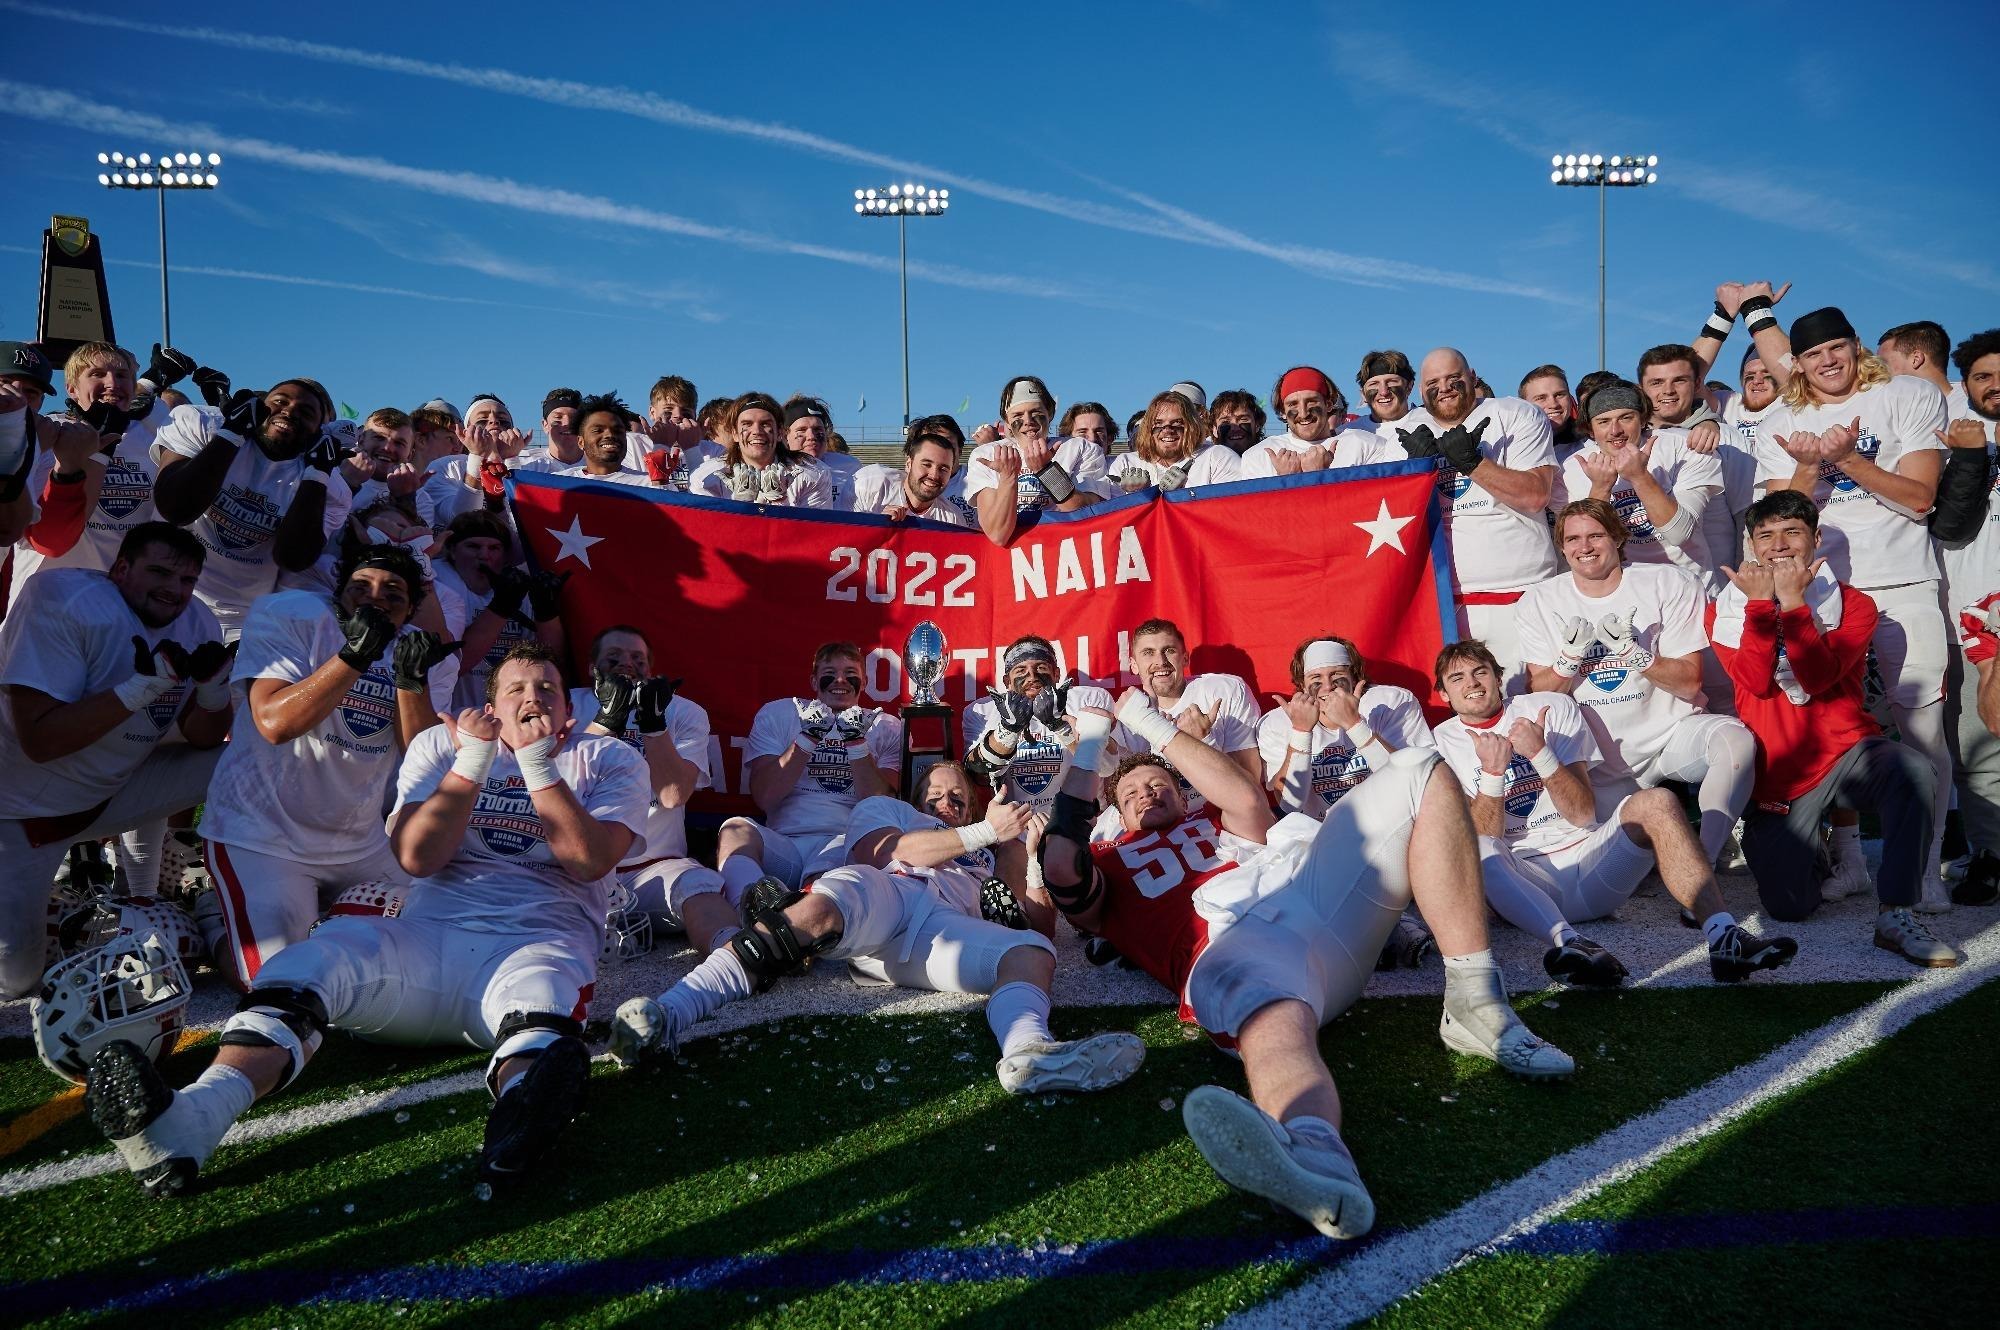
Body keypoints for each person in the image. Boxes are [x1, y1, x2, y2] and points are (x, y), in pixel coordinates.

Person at [85, 642, 651, 1195]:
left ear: (570, 709)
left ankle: (518, 1126)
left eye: (548, 687)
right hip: (423, 945)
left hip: (536, 944)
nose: (534, 698)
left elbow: (590, 860)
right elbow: (417, 857)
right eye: (518, 689)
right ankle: (191, 1119)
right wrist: (475, 761)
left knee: (544, 1007)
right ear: (492, 704)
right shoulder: (443, 744)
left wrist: (533, 762)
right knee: (313, 958)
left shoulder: (608, 758)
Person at [1042, 688, 1571, 1239]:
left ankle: (1475, 998)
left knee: (1420, 766)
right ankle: (1316, 1154)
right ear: (1113, 811)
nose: (1148, 793)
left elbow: (1245, 796)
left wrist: (1145, 721)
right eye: (1131, 793)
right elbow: (1059, 862)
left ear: (1184, 791)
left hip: (1312, 901)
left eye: (1160, 784)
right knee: (1273, 1024)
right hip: (1230, 947)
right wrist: (1095, 741)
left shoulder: (1222, 824)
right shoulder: (1104, 860)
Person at [611, 761, 1146, 1095]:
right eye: (937, 794)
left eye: (959, 797)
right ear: (916, 801)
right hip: (888, 891)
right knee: (827, 903)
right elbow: (882, 852)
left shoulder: (992, 844)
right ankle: (669, 1013)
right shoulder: (887, 808)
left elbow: (1041, 926)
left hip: (942, 927)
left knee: (1029, 950)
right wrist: (983, 828)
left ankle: (1027, 1052)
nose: (947, 803)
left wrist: (1026, 858)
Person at [1432, 640, 1795, 989]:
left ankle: (1723, 936)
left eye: (1480, 672)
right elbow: (1484, 835)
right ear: (1445, 695)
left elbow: (1582, 812)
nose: (1472, 684)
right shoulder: (1440, 742)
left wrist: (1541, 753)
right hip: (1523, 881)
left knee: (1658, 801)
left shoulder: (1548, 707)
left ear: (1498, 677)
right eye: (1457, 678)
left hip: (1591, 864)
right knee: (1476, 848)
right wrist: (1494, 776)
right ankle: (1572, 946)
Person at [1752, 305, 1953, 909]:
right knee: (1827, 729)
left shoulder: (1906, 394)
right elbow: (1778, 518)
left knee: (1920, 730)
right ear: (1800, 362)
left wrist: (1848, 460)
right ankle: (1849, 862)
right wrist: (1810, 464)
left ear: (1855, 346)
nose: (1828, 361)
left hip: (1900, 583)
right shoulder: (1781, 418)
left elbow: (1920, 497)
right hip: (1819, 590)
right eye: (1814, 354)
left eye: (1837, 347)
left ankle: (1925, 870)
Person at [1708, 490, 1959, 966]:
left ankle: (1897, 913)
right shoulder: (1725, 606)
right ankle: (1816, 854)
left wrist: (1793, 603)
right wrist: (1763, 607)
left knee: (1912, 769)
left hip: (1848, 751)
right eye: (1766, 535)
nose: (1779, 546)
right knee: (1790, 907)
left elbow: (1818, 676)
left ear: (1815, 538)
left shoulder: (1854, 603)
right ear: (1751, 545)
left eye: (1792, 532)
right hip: (1779, 772)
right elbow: (1756, 682)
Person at [198, 543, 451, 987]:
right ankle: (215, 927)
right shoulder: (291, 615)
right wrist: (354, 656)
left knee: (439, 937)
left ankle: (324, 916)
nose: (377, 598)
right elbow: (275, 723)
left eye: (394, 594)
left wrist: (413, 683)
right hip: (264, 833)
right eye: (363, 586)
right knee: (275, 982)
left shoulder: (408, 645)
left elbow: (420, 757)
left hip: (359, 840)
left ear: (410, 611)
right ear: (339, 591)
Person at [0, 523, 231, 998]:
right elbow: (39, 740)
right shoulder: (64, 600)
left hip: (107, 792)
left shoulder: (197, 622)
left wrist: (212, 694)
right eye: (160, 572)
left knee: (249, 760)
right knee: (15, 979)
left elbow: (204, 737)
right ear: (121, 569)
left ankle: (238, 902)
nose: (175, 590)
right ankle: (51, 910)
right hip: (20, 814)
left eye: (187, 580)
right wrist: (135, 690)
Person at [1519, 499, 1755, 866]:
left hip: (1669, 737)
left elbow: (1690, 684)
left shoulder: (1667, 581)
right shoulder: (1539, 599)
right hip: (1598, 759)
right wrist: (1567, 661)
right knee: (1613, 868)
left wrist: (1633, 653)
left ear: (1617, 537)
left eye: (1596, 535)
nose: (1585, 547)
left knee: (1735, 742)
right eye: (1573, 538)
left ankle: (1705, 859)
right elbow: (1540, 695)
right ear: (1562, 547)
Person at [1389, 348, 1560, 693]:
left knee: (1527, 699)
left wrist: (1473, 464)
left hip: (1518, 593)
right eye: (1433, 383)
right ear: (1420, 391)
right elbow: (1389, 521)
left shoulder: (1515, 415)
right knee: (1461, 711)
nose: (1445, 388)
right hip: (1441, 600)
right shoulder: (1403, 431)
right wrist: (1412, 476)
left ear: (1472, 376)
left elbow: (1536, 494)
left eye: (1454, 379)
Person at [571, 624, 732, 951]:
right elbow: (559, 785)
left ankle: (736, 957)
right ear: (592, 667)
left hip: (653, 868)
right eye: (612, 657)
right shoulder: (568, 705)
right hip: (581, 868)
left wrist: (653, 725)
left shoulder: (682, 711)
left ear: (650, 668)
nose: (625, 663)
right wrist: (606, 722)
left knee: (699, 886)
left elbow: (673, 795)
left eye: (636, 658)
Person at [150, 381, 351, 638]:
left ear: (319, 433)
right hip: (160, 589)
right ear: (260, 402)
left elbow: (292, 558)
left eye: (306, 412)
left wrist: (318, 476)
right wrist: (231, 433)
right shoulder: (203, 423)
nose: (289, 412)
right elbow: (176, 509)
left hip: (237, 619)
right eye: (280, 401)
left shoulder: (330, 487)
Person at [717, 641, 904, 894]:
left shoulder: (884, 725)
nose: (840, 680)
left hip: (844, 842)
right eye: (829, 674)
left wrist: (857, 744)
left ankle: (807, 904)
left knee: (829, 875)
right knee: (734, 831)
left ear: (865, 683)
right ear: (814, 682)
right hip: (785, 843)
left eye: (850, 674)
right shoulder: (781, 714)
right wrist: (807, 739)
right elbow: (764, 796)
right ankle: (746, 908)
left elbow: (883, 805)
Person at [1931, 328, 2000, 901]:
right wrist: (1972, 456)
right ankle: (1990, 855)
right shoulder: (1952, 437)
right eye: (1983, 376)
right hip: (1968, 613)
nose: (1995, 386)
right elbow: (1951, 526)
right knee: (1976, 749)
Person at [1556, 380, 1722, 589]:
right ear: (1590, 430)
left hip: (1689, 585)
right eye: (1603, 421)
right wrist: (1600, 488)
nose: (1615, 430)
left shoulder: (1683, 447)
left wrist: (1640, 477)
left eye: (1626, 418)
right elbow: (1583, 546)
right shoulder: (1570, 469)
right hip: (1622, 591)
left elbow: (1679, 533)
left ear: (1643, 419)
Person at [1257, 635, 1433, 819]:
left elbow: (1408, 785)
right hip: (1318, 831)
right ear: (1302, 684)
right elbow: (1290, 804)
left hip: (1388, 822)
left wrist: (1354, 724)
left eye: (1337, 675)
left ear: (1355, 677)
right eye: (1316, 678)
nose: (1327, 686)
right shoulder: (1276, 723)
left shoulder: (1389, 704)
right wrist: (1301, 732)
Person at [964, 635, 1114, 816]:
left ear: (1056, 674)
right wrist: (1008, 730)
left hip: (1079, 823)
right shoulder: (983, 711)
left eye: (1041, 668)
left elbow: (1106, 767)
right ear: (1007, 682)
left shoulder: (1087, 700)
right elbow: (977, 776)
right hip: (1015, 827)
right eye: (1020, 670)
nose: (1032, 677)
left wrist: (1059, 724)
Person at [434, 512, 565, 712]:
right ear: (452, 550)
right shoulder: (439, 584)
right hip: (454, 717)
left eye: (494, 548)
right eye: (473, 546)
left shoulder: (519, 587)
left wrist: (546, 612)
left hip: (511, 719)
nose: (485, 555)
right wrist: (501, 608)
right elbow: (449, 668)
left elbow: (550, 664)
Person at [962, 375, 1111, 545]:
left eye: (1036, 413)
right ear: (1007, 422)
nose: (1028, 421)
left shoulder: (1082, 448)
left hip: (1067, 555)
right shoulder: (987, 454)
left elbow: (1087, 515)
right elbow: (997, 534)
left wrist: (1047, 471)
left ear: (1050, 413)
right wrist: (1008, 476)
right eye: (1018, 415)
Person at [1238, 367, 1390, 478]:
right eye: (1293, 404)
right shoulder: (1258, 456)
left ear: (1329, 404)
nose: (1303, 414)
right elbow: (1258, 516)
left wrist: (1320, 476)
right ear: (1282, 411)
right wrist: (1287, 481)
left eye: (1311, 402)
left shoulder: (1366, 445)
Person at [688, 392, 831, 508]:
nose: (756, 431)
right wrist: (739, 506)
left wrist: (779, 505)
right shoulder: (707, 476)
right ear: (735, 434)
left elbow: (813, 533)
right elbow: (708, 533)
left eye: (765, 424)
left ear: (780, 432)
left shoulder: (812, 472)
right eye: (747, 424)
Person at [420, 394, 534, 526]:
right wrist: (477, 457)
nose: (494, 421)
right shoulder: (447, 466)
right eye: (483, 418)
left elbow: (526, 524)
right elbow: (459, 519)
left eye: (502, 419)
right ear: (466, 430)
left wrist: (511, 460)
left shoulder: (532, 467)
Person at [1114, 391, 1240, 491]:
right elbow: (1109, 517)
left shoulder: (1218, 457)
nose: (1167, 430)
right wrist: (1141, 495)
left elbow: (1231, 510)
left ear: (1192, 426)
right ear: (1147, 429)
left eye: (1177, 423)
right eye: (1158, 423)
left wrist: (1185, 495)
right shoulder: (1125, 463)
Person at [846, 428, 972, 526]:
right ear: (909, 464)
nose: (934, 475)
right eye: (926, 464)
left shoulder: (952, 518)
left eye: (944, 469)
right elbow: (839, 536)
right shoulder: (871, 483)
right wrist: (874, 523)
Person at [555, 393, 652, 487]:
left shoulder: (649, 485)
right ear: (581, 442)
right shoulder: (556, 484)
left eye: (617, 430)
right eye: (598, 430)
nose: (609, 435)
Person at [781, 396, 860, 508]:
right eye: (802, 430)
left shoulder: (850, 466)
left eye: (818, 429)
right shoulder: (775, 472)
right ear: (785, 437)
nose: (811, 436)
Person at [1518, 364, 1587, 465]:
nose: (1553, 404)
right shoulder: (1510, 447)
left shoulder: (1592, 445)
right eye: (1541, 398)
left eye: (1559, 395)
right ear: (1524, 405)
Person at [1356, 350, 1415, 438]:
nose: (1383, 392)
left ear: (1409, 387)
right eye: (1374, 384)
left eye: (1391, 382)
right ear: (1363, 394)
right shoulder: (1347, 433)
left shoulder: (1432, 422)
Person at [1209, 390, 1266, 456]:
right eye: (1225, 422)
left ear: (1257, 425)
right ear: (1214, 430)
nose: (1234, 428)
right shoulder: (1204, 463)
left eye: (1243, 419)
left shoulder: (1270, 461)